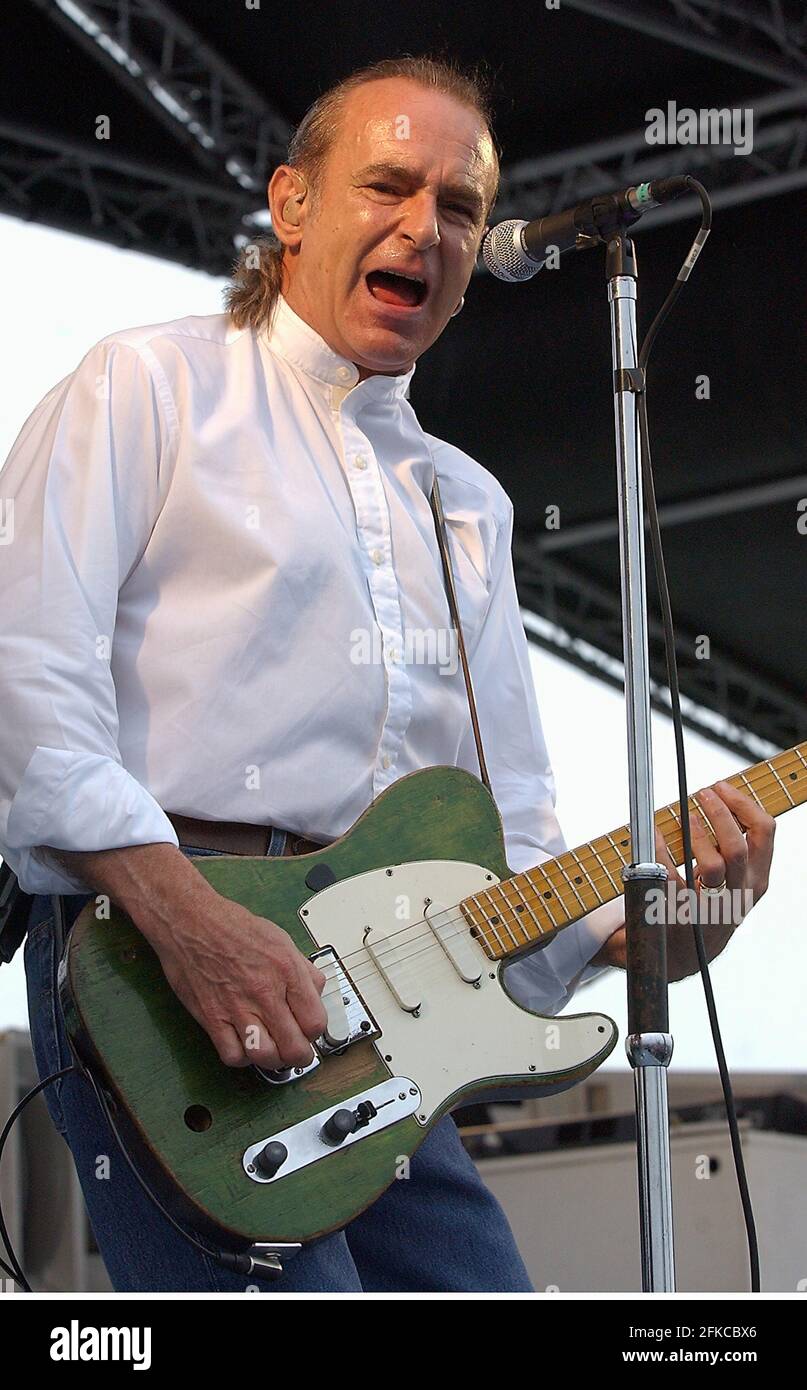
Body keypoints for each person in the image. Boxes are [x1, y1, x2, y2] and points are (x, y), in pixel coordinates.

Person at [0, 56, 774, 1293]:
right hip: (153, 957)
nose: (428, 227)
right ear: (292, 203)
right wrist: (194, 923)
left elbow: (510, 832)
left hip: (379, 1020)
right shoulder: (146, 383)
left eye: (461, 209)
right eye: (390, 186)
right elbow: (22, 676)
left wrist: (666, 935)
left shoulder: (463, 501)